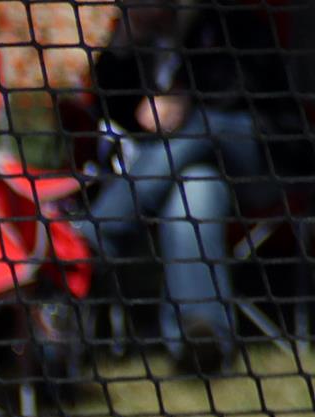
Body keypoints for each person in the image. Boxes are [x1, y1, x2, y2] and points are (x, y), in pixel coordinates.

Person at [80, 0, 309, 373]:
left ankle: (94, 235)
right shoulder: (140, 39)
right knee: (193, 193)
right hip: (188, 172)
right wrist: (126, 42)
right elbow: (106, 109)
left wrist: (187, 100)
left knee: (203, 124)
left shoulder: (231, 21)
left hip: (259, 158)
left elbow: (250, 87)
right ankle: (201, 340)